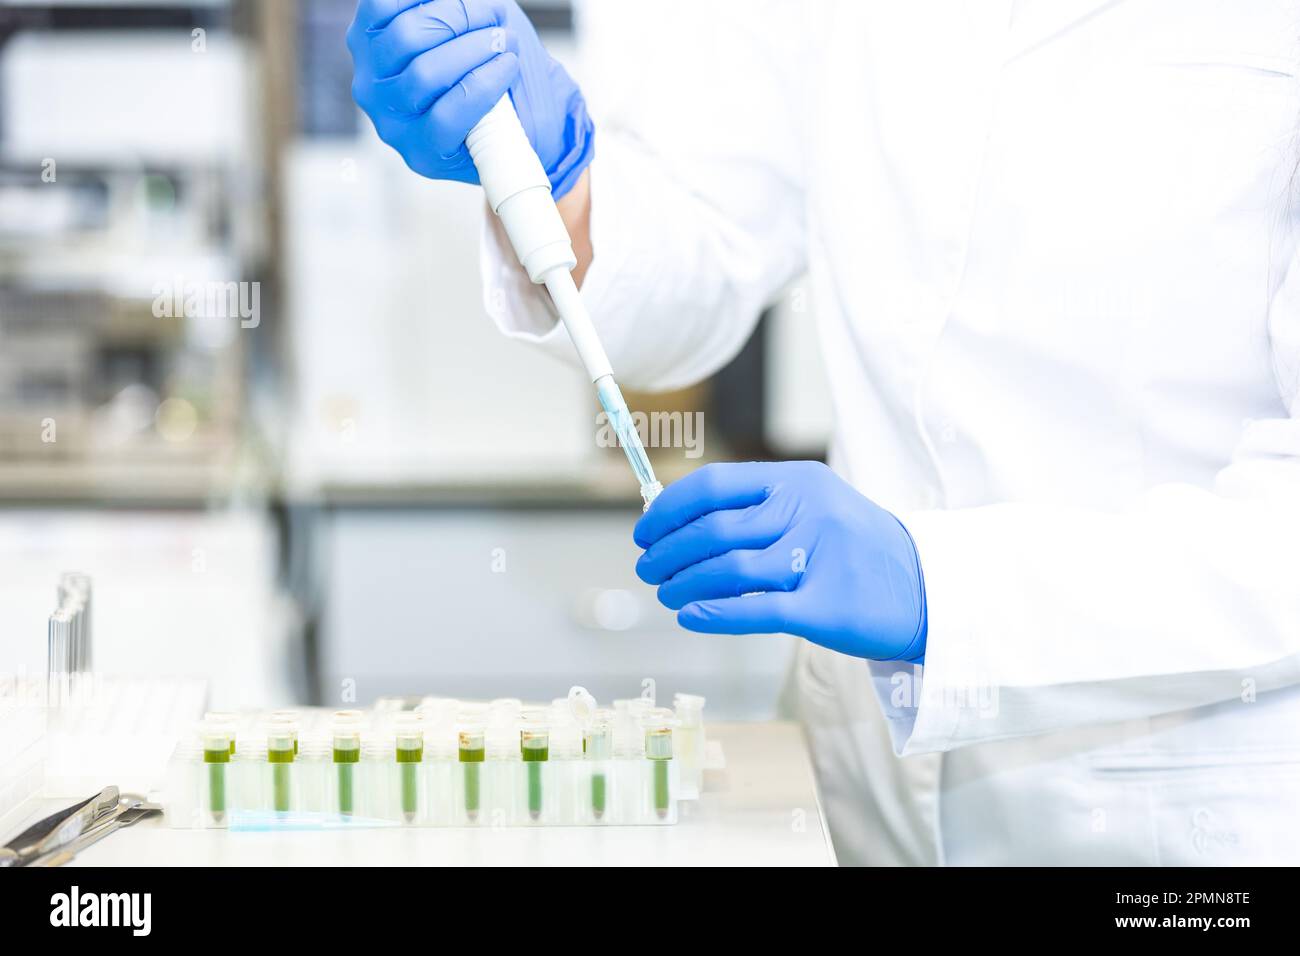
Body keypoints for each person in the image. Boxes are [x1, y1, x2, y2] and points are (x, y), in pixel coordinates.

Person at [349, 0, 1300, 864]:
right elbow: (706, 240)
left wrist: (939, 589)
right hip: (860, 795)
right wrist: (557, 174)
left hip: (1183, 815)